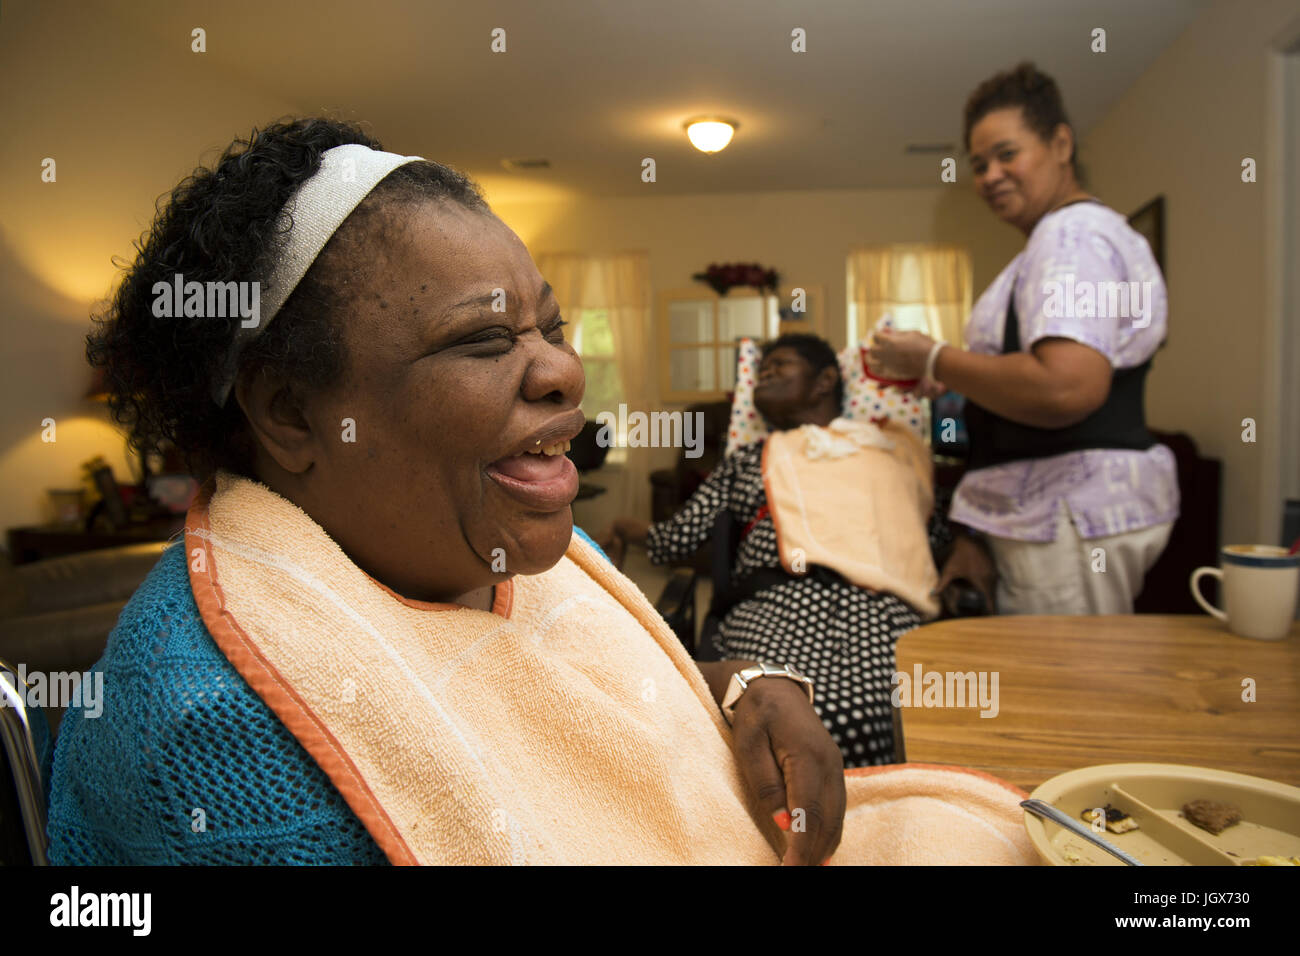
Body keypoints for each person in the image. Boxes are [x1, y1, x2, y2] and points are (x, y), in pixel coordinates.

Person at [47, 117, 1034, 866]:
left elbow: (591, 671)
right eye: (483, 339)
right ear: (292, 413)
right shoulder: (215, 731)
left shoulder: (501, 540)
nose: (563, 371)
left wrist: (734, 679)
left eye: (549, 328)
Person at [868, 62, 1178, 615]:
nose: (989, 175)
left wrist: (933, 354)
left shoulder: (1071, 236)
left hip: (1068, 517)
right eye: (979, 163)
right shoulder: (1052, 245)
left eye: (1007, 154)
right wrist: (954, 382)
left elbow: (1066, 387)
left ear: (1061, 144)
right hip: (1051, 517)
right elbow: (1035, 373)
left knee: (1072, 691)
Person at [599, 334, 959, 768]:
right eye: (761, 369)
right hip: (776, 602)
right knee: (783, 719)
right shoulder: (751, 457)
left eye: (780, 365)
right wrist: (623, 526)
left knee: (883, 723)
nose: (763, 375)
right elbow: (676, 538)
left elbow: (934, 538)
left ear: (826, 380)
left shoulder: (891, 451)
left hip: (885, 608)